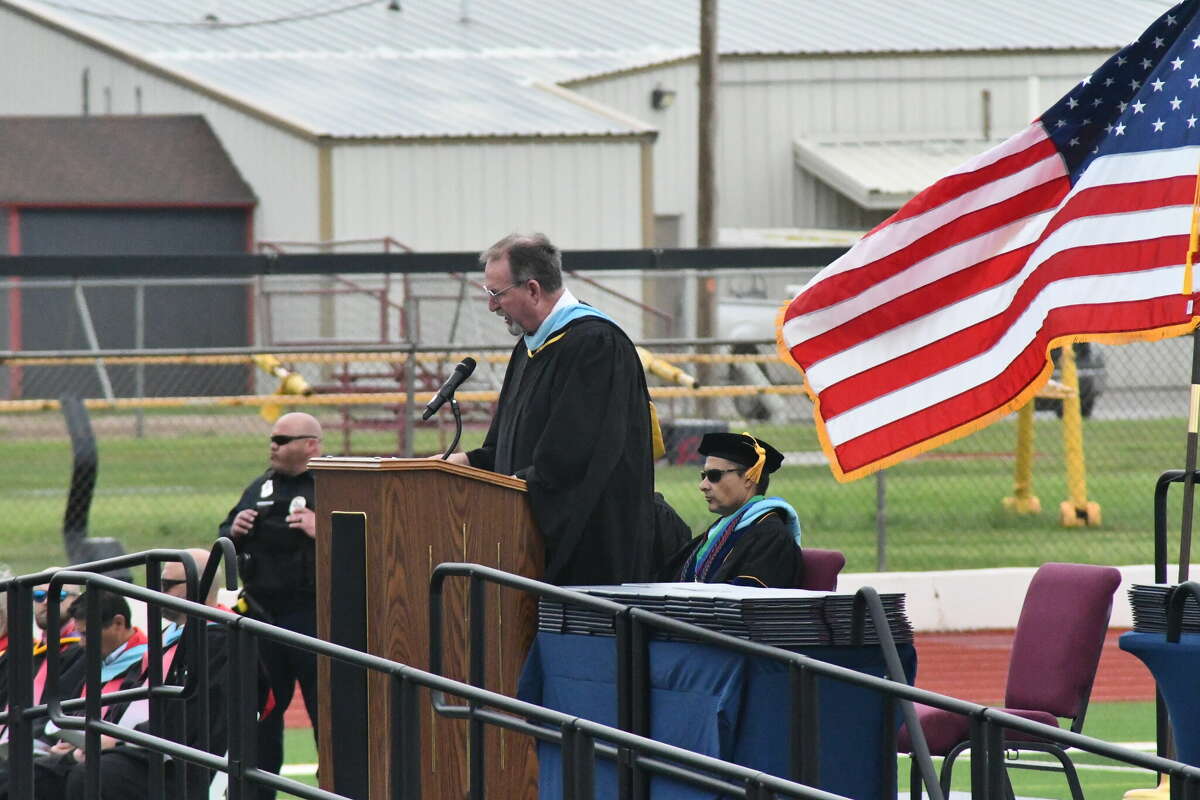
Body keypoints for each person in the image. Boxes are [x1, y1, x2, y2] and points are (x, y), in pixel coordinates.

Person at [443, 233, 656, 585]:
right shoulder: (530, 347)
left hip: (586, 548)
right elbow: (507, 448)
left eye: (496, 294)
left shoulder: (595, 346)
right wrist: (461, 464)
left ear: (532, 289)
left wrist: (505, 495)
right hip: (526, 538)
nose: (492, 307)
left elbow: (571, 460)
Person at [62, 549, 232, 800]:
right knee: (37, 772)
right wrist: (96, 733)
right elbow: (132, 695)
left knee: (90, 775)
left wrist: (120, 741)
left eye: (168, 584)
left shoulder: (220, 640)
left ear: (200, 585)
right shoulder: (166, 637)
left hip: (170, 760)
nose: (160, 592)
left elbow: (193, 715)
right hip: (136, 745)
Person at [218, 412, 320, 800]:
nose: (272, 446)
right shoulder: (258, 487)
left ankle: (340, 790)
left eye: (282, 440)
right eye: (272, 440)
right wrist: (234, 531)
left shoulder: (330, 486)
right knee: (258, 717)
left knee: (328, 716)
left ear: (310, 444)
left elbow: (363, 539)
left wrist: (321, 526)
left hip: (312, 618)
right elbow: (223, 540)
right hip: (260, 617)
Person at [0, 590, 147, 800]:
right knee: (12, 777)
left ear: (118, 623)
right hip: (74, 752)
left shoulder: (147, 663)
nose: (82, 643)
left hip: (113, 756)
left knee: (28, 780)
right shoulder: (94, 660)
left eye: (87, 634)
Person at [659, 432, 805, 588]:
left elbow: (747, 604)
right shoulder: (721, 531)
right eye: (704, 476)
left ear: (749, 478)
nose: (703, 486)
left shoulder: (772, 538)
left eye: (714, 475)